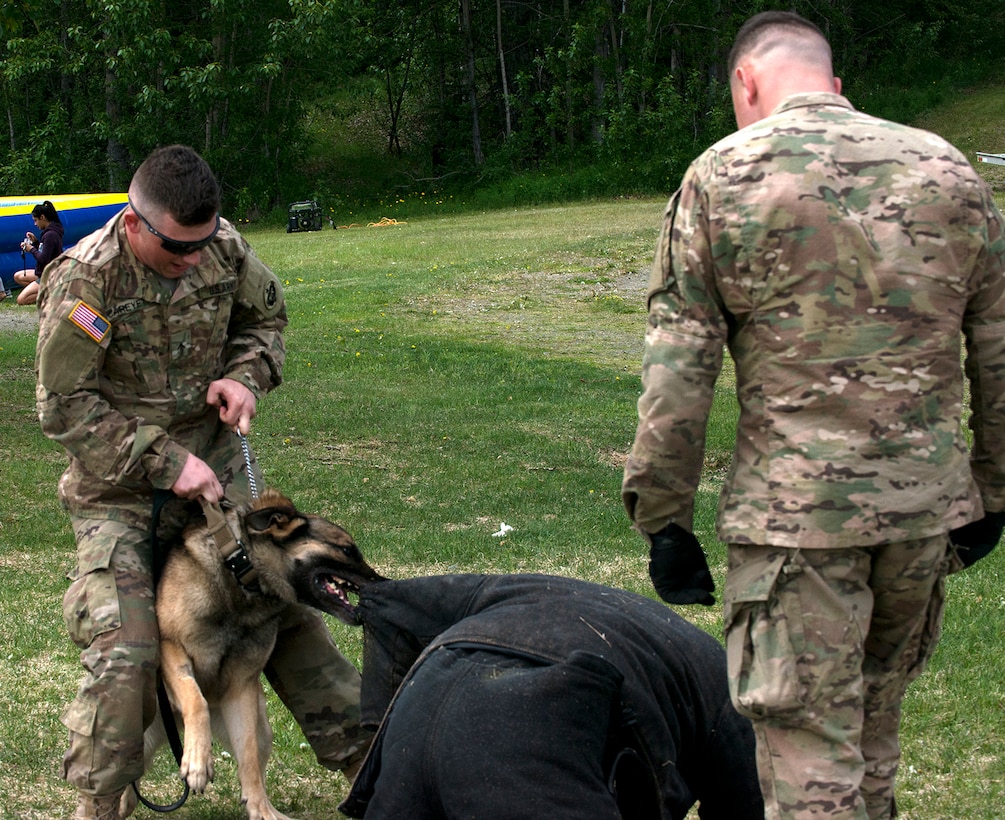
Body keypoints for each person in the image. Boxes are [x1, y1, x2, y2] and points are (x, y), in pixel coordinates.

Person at [621, 10, 1005, 820]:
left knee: (807, 750)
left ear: (745, 81)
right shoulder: (948, 172)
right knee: (870, 732)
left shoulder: (721, 176)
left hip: (797, 524)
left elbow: (678, 368)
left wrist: (662, 516)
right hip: (920, 514)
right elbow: (998, 348)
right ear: (833, 85)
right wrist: (993, 491)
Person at [35, 145, 371, 820]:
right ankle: (99, 803)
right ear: (135, 224)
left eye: (202, 244)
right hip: (120, 495)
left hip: (216, 485)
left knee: (289, 610)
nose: (192, 260)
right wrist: (163, 461)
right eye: (175, 248)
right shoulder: (85, 280)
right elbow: (62, 406)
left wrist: (244, 378)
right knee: (125, 641)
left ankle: (378, 772)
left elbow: (265, 322)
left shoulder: (224, 246)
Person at [340, 573, 764, 819]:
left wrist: (382, 726)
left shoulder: (542, 589)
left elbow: (396, 602)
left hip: (425, 696)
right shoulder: (732, 702)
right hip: (528, 720)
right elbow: (749, 806)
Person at [13, 199, 65, 305]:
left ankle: (52, 293)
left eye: (36, 220)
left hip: (50, 274)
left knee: (21, 300)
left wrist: (31, 249)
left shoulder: (50, 235)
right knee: (18, 276)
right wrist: (36, 242)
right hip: (43, 272)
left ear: (42, 217)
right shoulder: (50, 233)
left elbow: (43, 259)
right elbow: (46, 252)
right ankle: (46, 289)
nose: (35, 224)